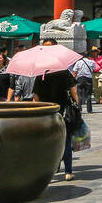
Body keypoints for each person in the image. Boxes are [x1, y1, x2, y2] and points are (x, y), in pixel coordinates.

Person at [33, 49, 78, 182]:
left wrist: (38, 108)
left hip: (47, 112)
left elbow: (35, 96)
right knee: (66, 141)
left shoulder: (41, 75)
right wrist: (77, 105)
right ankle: (68, 171)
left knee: (50, 141)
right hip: (63, 111)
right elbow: (74, 91)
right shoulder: (65, 73)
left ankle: (54, 167)